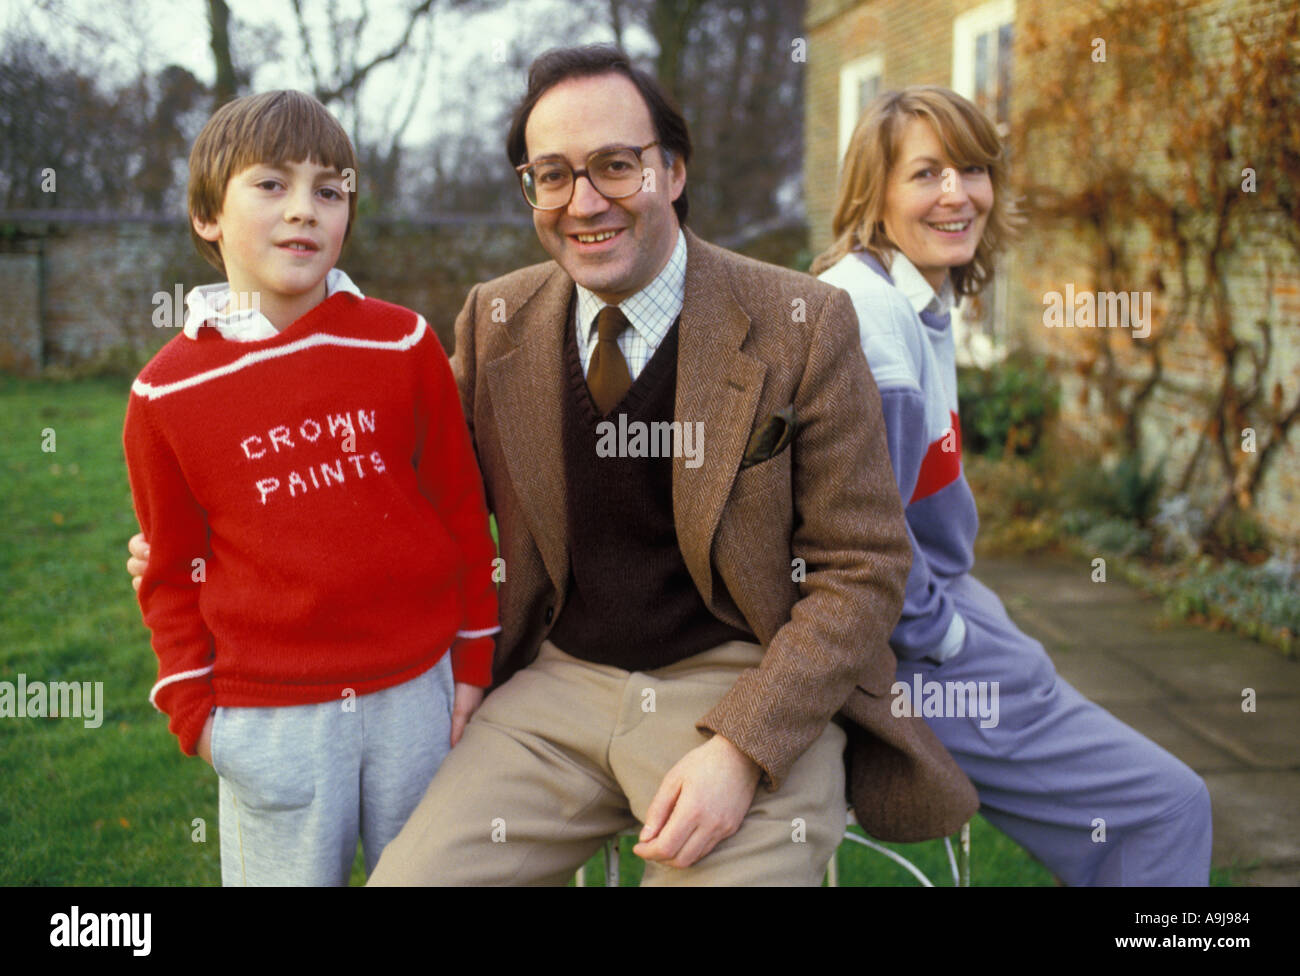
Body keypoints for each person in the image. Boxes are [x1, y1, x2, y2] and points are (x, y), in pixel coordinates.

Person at [132, 47, 977, 887]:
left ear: (673, 170)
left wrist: (745, 748)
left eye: (616, 165)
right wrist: (221, 534)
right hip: (552, 687)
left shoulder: (804, 323)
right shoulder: (497, 319)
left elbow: (862, 570)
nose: (585, 201)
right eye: (552, 174)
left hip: (737, 683)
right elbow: (405, 475)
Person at [812, 85, 1213, 885]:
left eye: (972, 168)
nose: (958, 193)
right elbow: (866, 545)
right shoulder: (876, 321)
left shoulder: (912, 295)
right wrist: (951, 638)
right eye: (927, 174)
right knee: (1168, 806)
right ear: (875, 192)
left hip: (943, 617)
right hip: (913, 657)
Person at [123, 90, 500, 886]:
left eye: (330, 190)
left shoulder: (401, 341)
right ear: (206, 216)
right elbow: (169, 568)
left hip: (415, 694)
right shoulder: (165, 394)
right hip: (271, 717)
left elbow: (460, 511)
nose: (305, 209)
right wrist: (197, 717)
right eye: (272, 185)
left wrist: (471, 663)